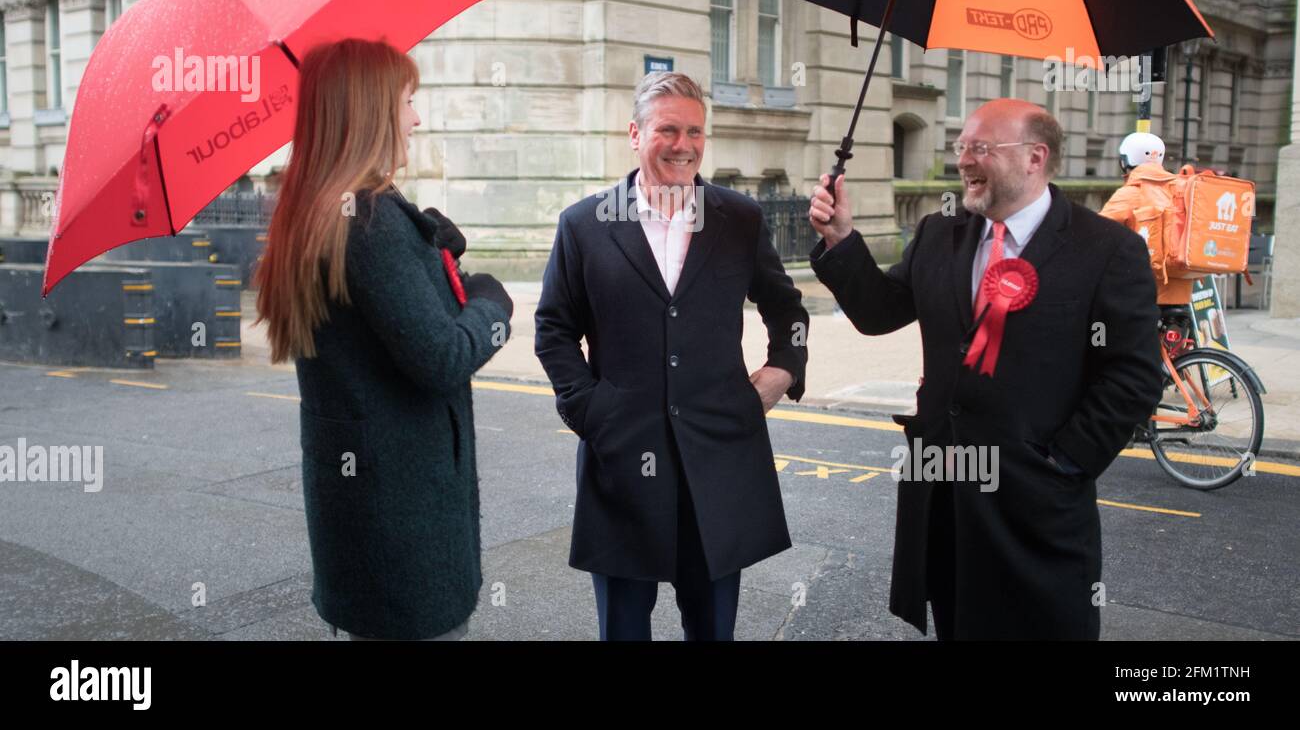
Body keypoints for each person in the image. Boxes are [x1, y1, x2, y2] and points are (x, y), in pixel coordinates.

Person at [807, 98, 1162, 640]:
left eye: (980, 148)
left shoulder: (1105, 249)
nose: (964, 161)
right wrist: (842, 242)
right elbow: (879, 312)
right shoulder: (938, 232)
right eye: (960, 146)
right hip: (946, 500)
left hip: (1037, 512)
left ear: (1034, 157)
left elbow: (1134, 377)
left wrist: (1062, 465)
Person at [255, 38, 514, 641]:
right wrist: (492, 304)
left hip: (364, 518)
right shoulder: (366, 219)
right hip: (404, 527)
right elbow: (443, 357)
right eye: (406, 101)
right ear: (369, 112)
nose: (415, 118)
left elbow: (382, 327)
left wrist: (432, 252)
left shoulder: (318, 209)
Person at [534, 71, 808, 641]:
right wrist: (589, 409)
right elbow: (554, 329)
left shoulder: (739, 218)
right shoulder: (584, 224)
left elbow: (787, 307)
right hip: (622, 462)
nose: (683, 145)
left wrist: (783, 367)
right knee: (624, 631)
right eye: (667, 130)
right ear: (635, 134)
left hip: (719, 461)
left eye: (695, 132)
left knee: (713, 631)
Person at [1099, 132, 1194, 307]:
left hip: (1138, 293)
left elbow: (1097, 231)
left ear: (1124, 161)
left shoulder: (1130, 193)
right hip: (1183, 295)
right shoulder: (1182, 191)